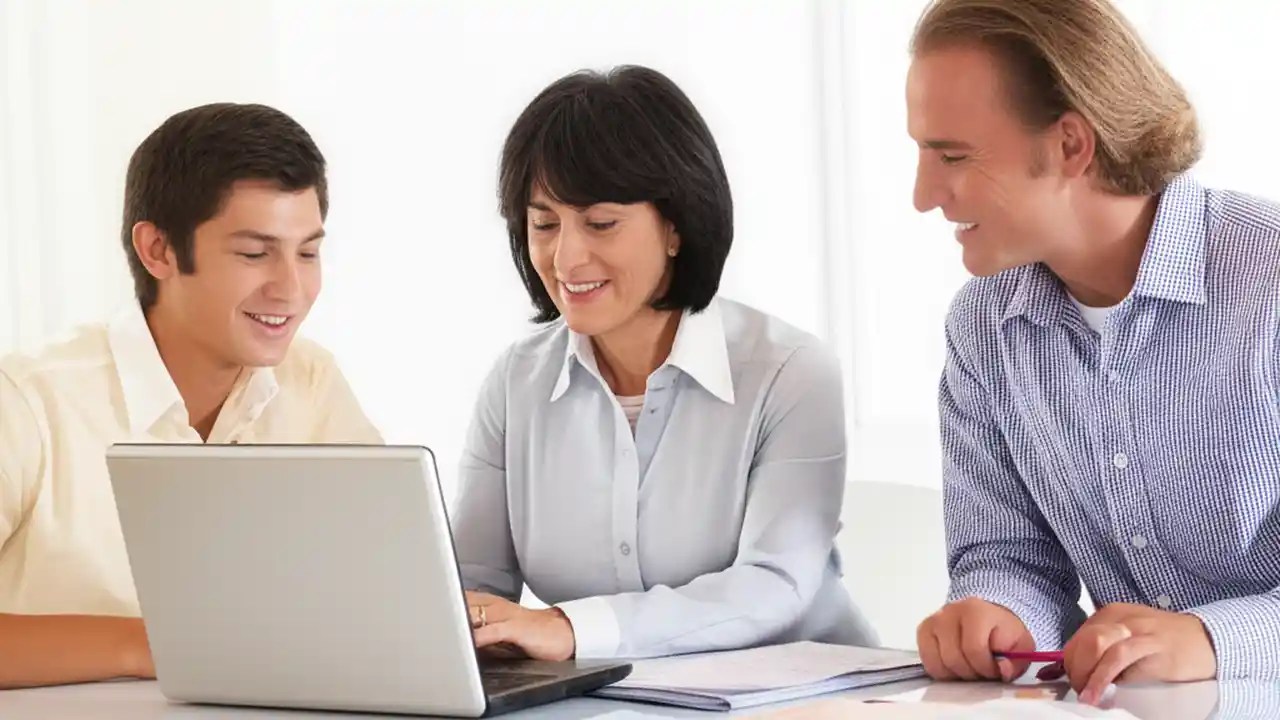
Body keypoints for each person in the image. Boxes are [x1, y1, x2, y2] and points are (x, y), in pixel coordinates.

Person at [906, 0, 1280, 704]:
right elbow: (1006, 557)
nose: (924, 195)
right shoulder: (983, 329)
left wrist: (1209, 640)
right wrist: (998, 611)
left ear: (1073, 145)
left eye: (952, 156)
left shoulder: (1271, 281)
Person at [451, 65, 876, 661]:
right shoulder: (514, 385)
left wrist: (571, 628)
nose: (566, 257)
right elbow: (474, 590)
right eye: (544, 223)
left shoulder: (791, 373)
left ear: (675, 226)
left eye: (601, 223)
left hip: (801, 697)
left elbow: (773, 585)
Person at [0, 102, 382, 689]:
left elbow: (385, 584)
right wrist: (150, 646)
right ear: (159, 251)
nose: (292, 289)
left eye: (307, 252)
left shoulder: (311, 382)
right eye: (255, 254)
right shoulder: (27, 401)